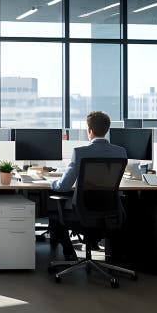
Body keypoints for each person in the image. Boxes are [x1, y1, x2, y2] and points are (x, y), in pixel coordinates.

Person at [50, 111, 127, 260]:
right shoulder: (121, 152)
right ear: (107, 129)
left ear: (90, 131)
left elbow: (64, 186)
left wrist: (51, 183)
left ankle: (69, 254)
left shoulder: (80, 152)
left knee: (54, 214)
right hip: (110, 211)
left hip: (83, 212)